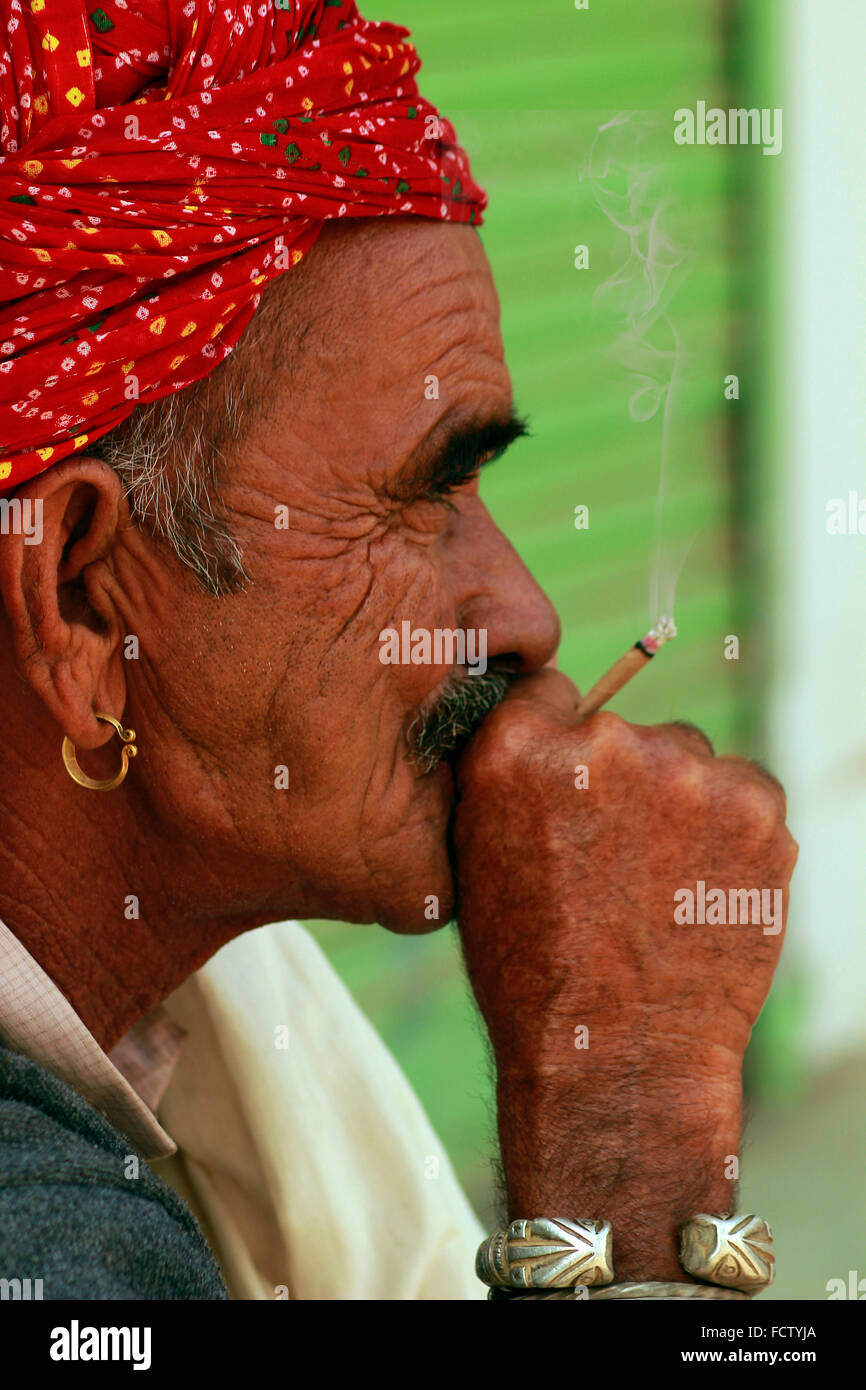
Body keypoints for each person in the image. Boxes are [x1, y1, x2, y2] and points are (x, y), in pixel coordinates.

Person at [0, 0, 796, 1300]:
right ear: (86, 605)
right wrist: (621, 1146)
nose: (527, 612)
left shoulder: (171, 1024)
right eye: (420, 498)